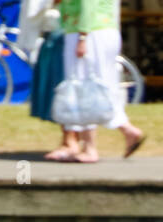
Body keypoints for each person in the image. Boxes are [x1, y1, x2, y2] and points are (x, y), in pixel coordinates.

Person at [45, 0, 145, 162]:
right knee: (99, 87)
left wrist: (83, 36)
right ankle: (126, 129)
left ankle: (91, 148)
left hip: (86, 31)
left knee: (83, 87)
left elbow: (87, 5)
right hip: (101, 29)